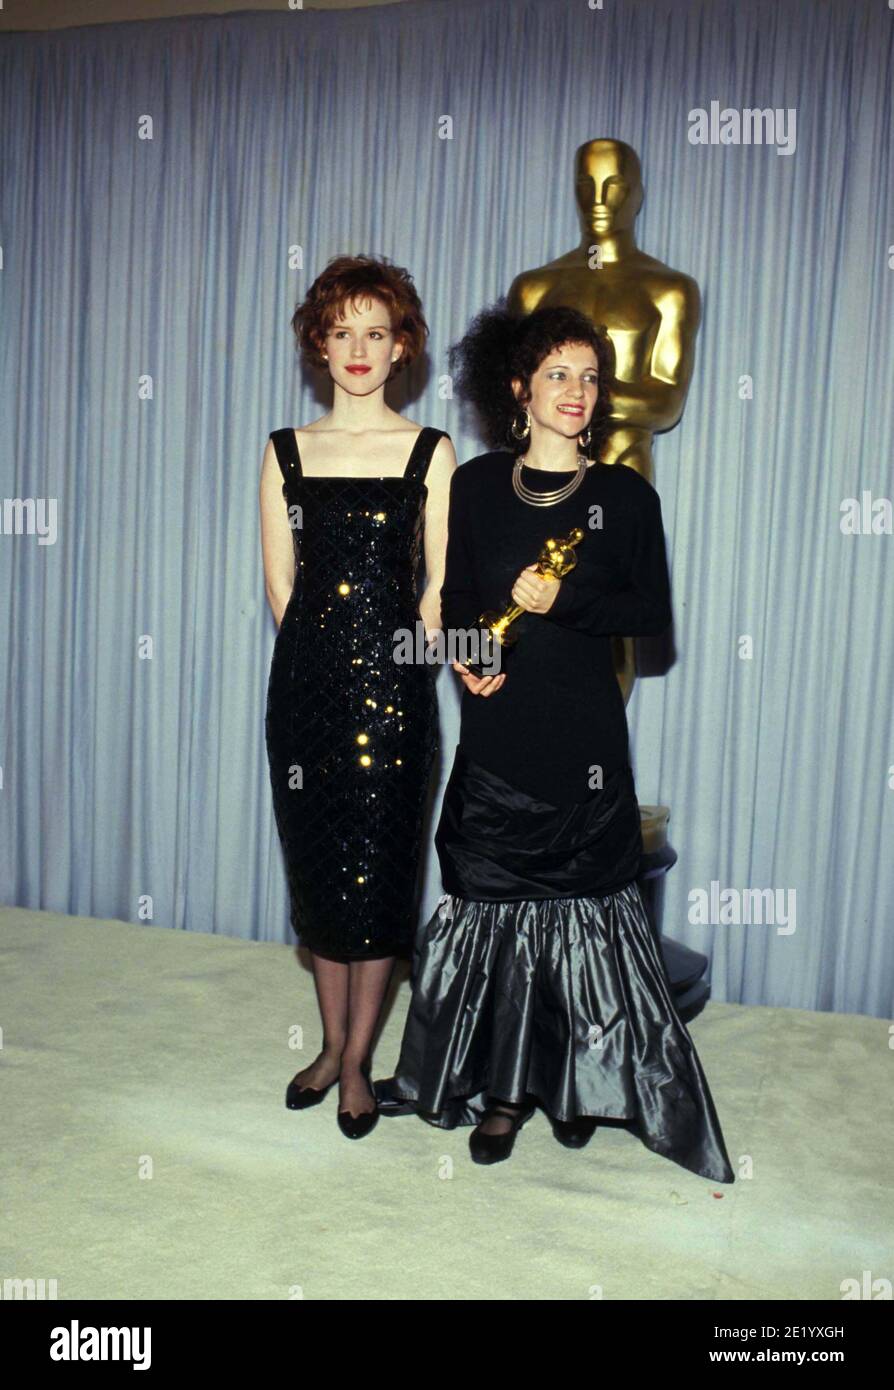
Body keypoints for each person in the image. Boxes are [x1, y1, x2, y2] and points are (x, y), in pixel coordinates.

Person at [380, 303, 734, 1182]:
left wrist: (562, 602)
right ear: (519, 389)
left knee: (580, 917)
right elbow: (455, 599)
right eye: (557, 376)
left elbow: (652, 618)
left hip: (582, 736)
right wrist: (469, 660)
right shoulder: (475, 487)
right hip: (497, 730)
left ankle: (577, 1085)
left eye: (588, 376)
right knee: (496, 908)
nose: (577, 392)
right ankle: (503, 1094)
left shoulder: (625, 497)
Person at [260, 255, 455, 1139]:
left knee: (378, 884)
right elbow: (280, 588)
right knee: (321, 881)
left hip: (398, 700)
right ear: (319, 343)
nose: (360, 348)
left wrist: (396, 674)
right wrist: (325, 672)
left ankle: (360, 1066)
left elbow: (438, 593)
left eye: (377, 331)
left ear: (402, 344)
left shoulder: (430, 451)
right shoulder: (283, 451)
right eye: (343, 332)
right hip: (305, 698)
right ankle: (333, 1046)